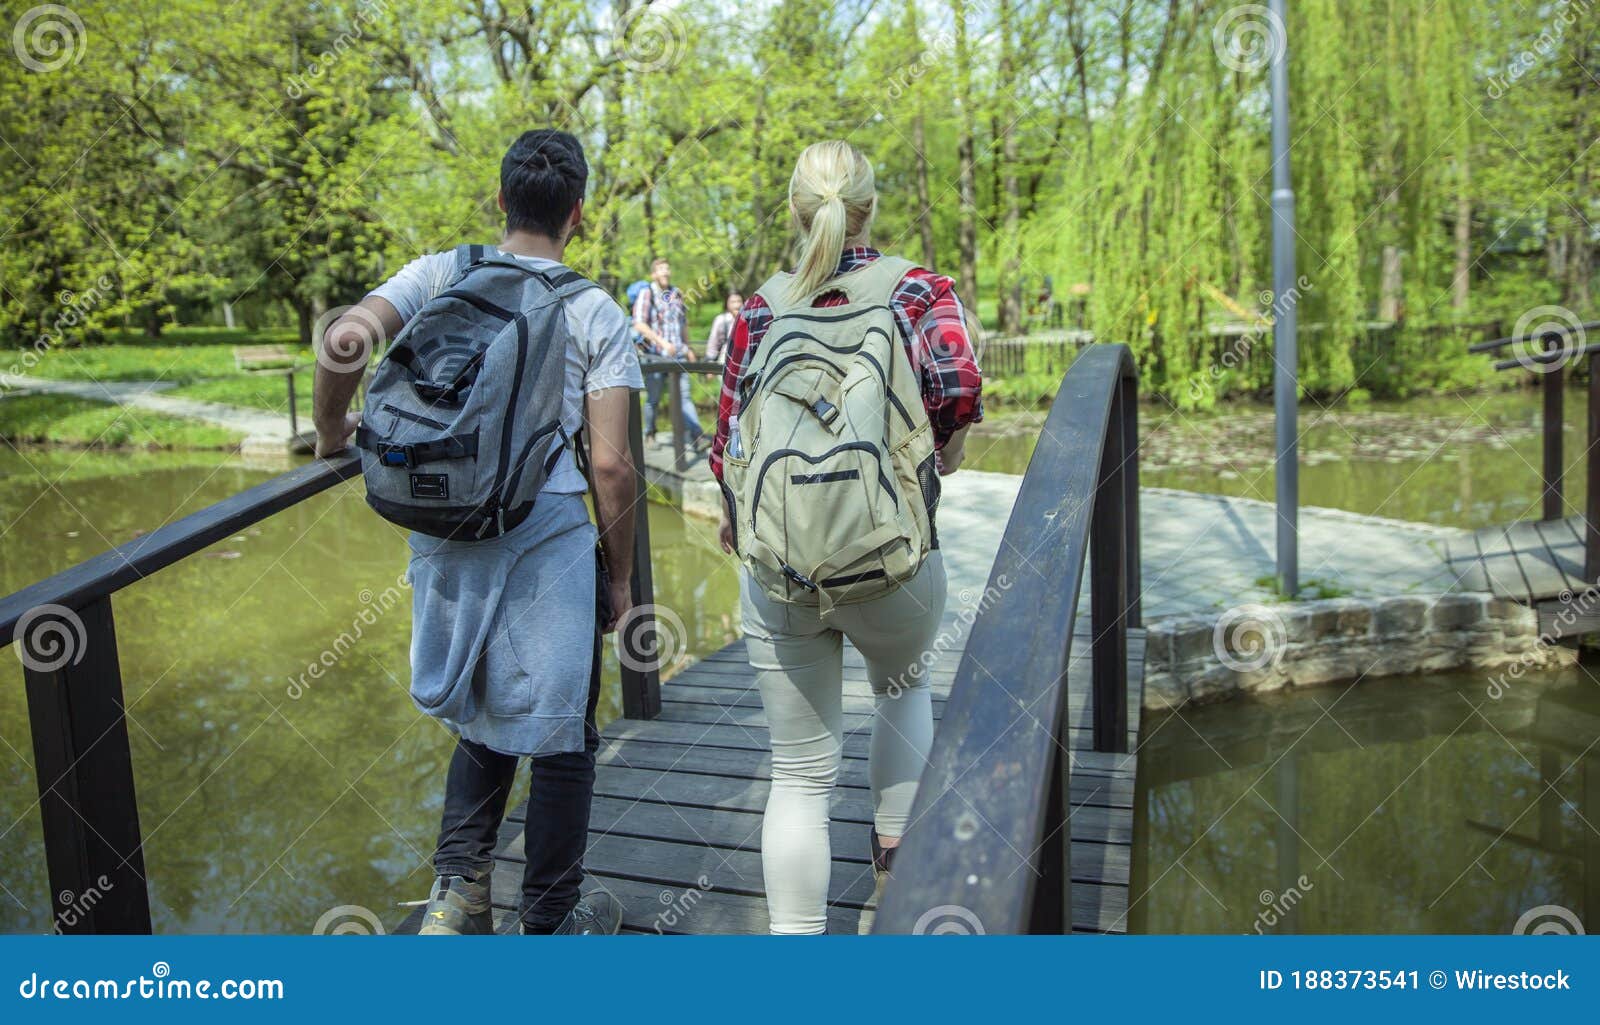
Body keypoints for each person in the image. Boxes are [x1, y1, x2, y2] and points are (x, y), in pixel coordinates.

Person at [312, 129, 642, 936]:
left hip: (446, 528)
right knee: (562, 732)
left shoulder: (441, 273)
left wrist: (330, 433)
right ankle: (550, 917)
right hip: (548, 536)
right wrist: (623, 579)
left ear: (500, 201)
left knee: (480, 715)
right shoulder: (593, 308)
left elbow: (345, 338)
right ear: (578, 215)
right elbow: (611, 468)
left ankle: (458, 896)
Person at [708, 140, 983, 934]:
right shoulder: (918, 290)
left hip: (783, 573)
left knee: (797, 772)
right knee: (903, 695)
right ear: (872, 204)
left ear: (797, 210)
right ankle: (893, 898)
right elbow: (959, 387)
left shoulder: (759, 309)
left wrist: (741, 515)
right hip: (891, 561)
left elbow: (728, 445)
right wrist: (936, 452)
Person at [632, 257, 704, 446]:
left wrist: (688, 348)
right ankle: (650, 433)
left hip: (678, 355)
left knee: (684, 397)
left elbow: (682, 323)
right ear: (653, 274)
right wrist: (661, 342)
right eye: (661, 269)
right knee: (653, 399)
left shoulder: (676, 293)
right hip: (655, 355)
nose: (665, 272)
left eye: (667, 268)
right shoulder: (646, 293)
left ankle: (696, 435)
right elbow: (639, 323)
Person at [705, 290, 742, 363]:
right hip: (725, 361)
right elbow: (713, 342)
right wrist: (710, 361)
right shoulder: (721, 320)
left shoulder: (748, 319)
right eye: (733, 302)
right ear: (727, 304)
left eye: (739, 301)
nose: (737, 305)